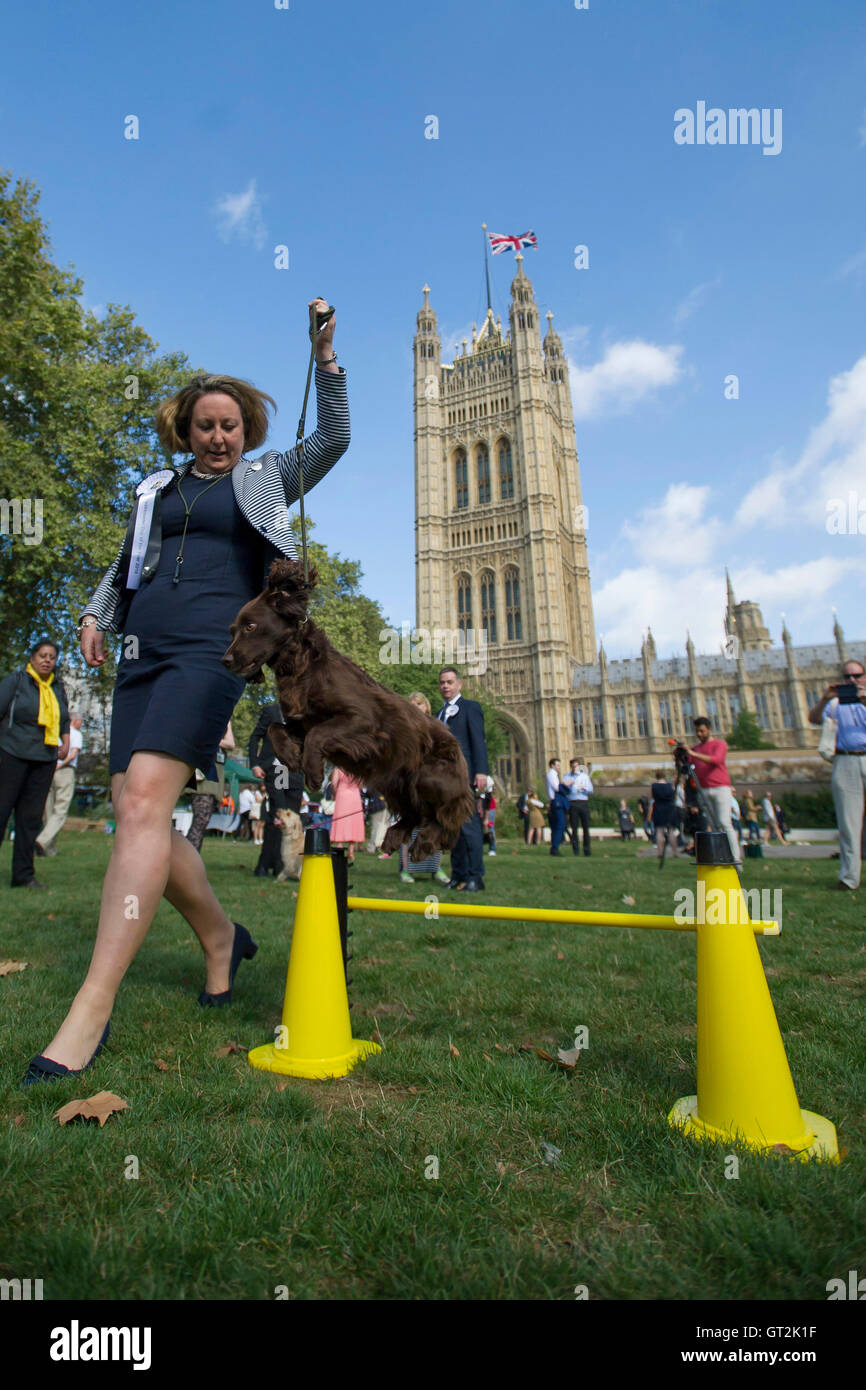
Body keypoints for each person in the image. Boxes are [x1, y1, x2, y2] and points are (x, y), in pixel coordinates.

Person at [22, 300, 348, 1084]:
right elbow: (123, 564)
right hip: (142, 653)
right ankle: (221, 938)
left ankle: (90, 1007)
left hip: (212, 650)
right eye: (206, 424)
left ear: (247, 431)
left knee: (140, 805)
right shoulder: (153, 488)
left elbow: (334, 437)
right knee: (148, 815)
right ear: (186, 430)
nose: (219, 435)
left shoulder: (267, 478)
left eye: (231, 423)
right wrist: (99, 615)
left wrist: (325, 358)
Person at [0, 639, 71, 889]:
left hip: (44, 759)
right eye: (42, 655)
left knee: (30, 820)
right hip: (11, 754)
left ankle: (23, 876)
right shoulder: (17, 682)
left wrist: (65, 740)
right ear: (32, 658)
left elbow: (64, 718)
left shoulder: (57, 687)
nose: (46, 660)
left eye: (51, 656)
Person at [809, 658, 866, 890]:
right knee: (848, 823)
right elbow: (813, 719)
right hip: (844, 760)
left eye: (857, 676)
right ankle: (849, 878)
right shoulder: (834, 705)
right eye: (847, 677)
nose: (852, 680)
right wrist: (824, 698)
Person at [437, 667, 489, 891]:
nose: (445, 686)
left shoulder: (470, 708)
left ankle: (476, 877)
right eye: (442, 683)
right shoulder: (440, 713)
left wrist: (481, 771)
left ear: (459, 684)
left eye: (449, 682)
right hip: (444, 780)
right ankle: (458, 875)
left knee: (469, 827)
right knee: (452, 829)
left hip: (464, 775)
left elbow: (478, 741)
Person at [249, 700, 302, 878]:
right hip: (279, 770)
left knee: (293, 819)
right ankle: (269, 864)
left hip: (296, 770)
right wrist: (255, 763)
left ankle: (284, 866)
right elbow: (255, 737)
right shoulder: (272, 711)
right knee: (279, 816)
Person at [685, 717, 741, 868]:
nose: (699, 734)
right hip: (704, 790)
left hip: (721, 788)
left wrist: (693, 754)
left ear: (709, 729)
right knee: (714, 826)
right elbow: (687, 765)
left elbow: (716, 760)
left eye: (702, 730)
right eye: (697, 731)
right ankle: (721, 857)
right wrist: (683, 754)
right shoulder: (695, 749)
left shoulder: (720, 745)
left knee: (724, 823)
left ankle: (735, 859)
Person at [35, 711, 83, 858]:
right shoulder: (75, 734)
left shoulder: (57, 732)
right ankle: (41, 841)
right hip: (64, 772)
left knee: (49, 811)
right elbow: (73, 753)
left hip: (49, 771)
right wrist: (61, 765)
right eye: (81, 721)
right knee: (60, 810)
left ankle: (49, 850)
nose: (81, 724)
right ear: (75, 721)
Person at [187, 720, 235, 852]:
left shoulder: (225, 717)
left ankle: (190, 858)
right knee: (201, 819)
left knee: (203, 820)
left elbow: (231, 743)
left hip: (216, 769)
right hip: (203, 771)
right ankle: (187, 858)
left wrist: (213, 740)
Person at [330, 766, 365, 866]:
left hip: (342, 795)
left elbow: (334, 783)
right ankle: (351, 851)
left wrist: (335, 793)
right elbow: (361, 785)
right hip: (355, 795)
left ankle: (339, 846)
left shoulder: (339, 766)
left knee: (341, 822)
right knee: (353, 822)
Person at [560, 757, 593, 856]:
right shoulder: (566, 777)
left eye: (576, 766)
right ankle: (576, 850)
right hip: (573, 803)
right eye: (573, 766)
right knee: (574, 828)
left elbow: (591, 790)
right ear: (570, 767)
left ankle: (587, 850)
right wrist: (566, 785)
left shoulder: (584, 777)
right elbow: (562, 789)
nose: (574, 768)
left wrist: (583, 788)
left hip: (583, 802)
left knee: (585, 827)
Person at [649, 768, 679, 860]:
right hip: (669, 809)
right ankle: (675, 852)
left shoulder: (654, 786)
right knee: (671, 831)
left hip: (658, 808)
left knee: (659, 831)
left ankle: (660, 853)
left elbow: (651, 799)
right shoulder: (670, 785)